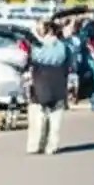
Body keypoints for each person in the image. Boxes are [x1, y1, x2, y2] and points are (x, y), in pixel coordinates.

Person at [26, 21, 72, 155]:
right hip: (58, 81)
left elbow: (32, 60)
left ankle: (36, 145)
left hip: (40, 80)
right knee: (55, 116)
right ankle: (52, 146)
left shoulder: (37, 47)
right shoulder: (64, 47)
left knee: (38, 115)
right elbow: (69, 64)